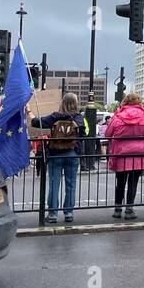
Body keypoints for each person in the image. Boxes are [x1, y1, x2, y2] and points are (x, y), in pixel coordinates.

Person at [31, 93, 88, 224]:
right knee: (71, 184)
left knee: (54, 184)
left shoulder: (54, 116)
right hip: (72, 154)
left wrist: (30, 113)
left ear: (62, 103)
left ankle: (52, 214)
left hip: (55, 154)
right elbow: (83, 134)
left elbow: (36, 123)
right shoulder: (78, 118)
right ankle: (68, 213)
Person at [103, 93, 144, 219]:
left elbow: (107, 134)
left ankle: (117, 209)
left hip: (121, 154)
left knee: (120, 182)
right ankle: (129, 209)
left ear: (125, 102)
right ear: (139, 102)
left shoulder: (117, 117)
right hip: (139, 154)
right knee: (133, 182)